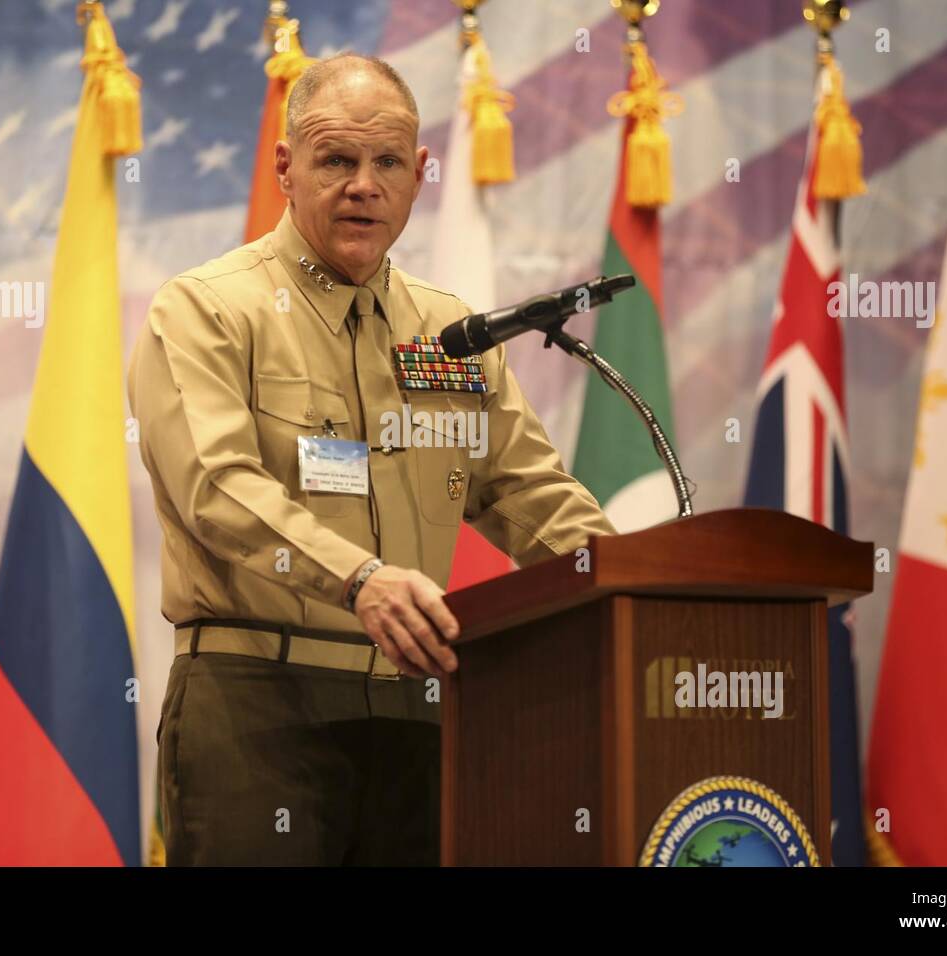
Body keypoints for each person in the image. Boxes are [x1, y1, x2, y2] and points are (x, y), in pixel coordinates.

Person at [127, 52, 616, 866]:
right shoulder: (208, 308)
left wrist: (640, 582)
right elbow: (215, 486)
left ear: (421, 173)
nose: (364, 184)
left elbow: (531, 494)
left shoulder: (453, 332)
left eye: (387, 161)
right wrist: (360, 580)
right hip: (258, 708)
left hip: (424, 712)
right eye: (337, 160)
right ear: (286, 167)